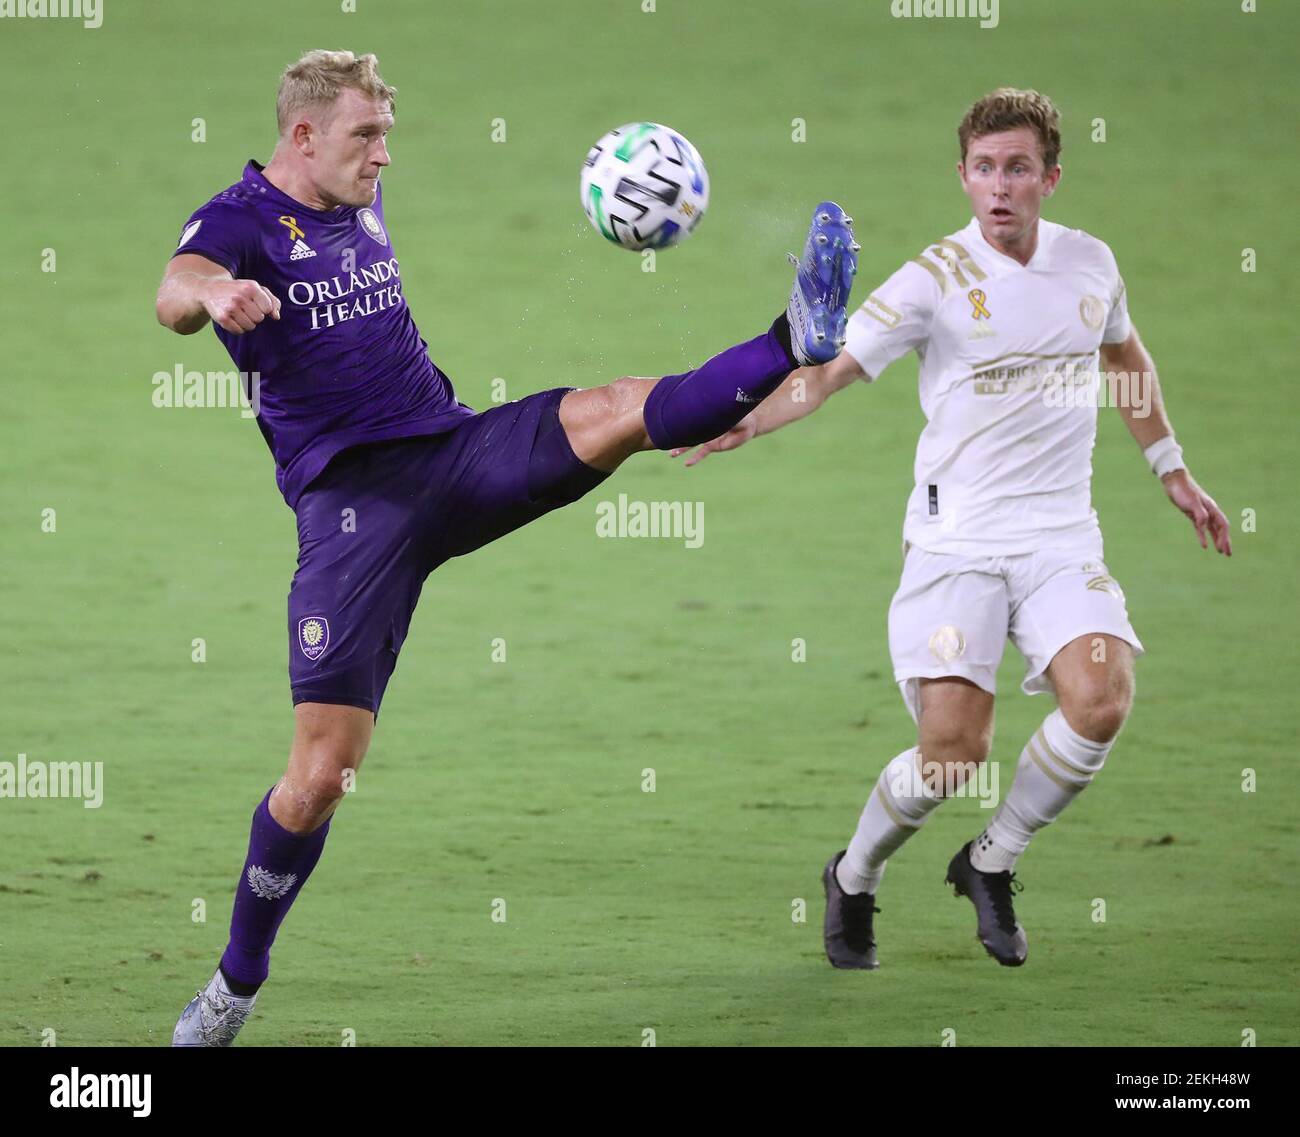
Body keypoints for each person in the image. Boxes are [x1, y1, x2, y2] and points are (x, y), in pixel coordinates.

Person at [157, 49, 857, 1043]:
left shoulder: (351, 194)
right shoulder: (237, 222)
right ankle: (233, 985)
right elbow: (174, 287)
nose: (383, 156)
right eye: (366, 135)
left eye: (388, 136)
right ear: (302, 135)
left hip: (456, 452)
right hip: (355, 518)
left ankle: (795, 336)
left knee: (619, 412)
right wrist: (212, 299)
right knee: (319, 778)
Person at [673, 87, 1231, 969]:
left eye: (1017, 169)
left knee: (1102, 697)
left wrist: (1171, 466)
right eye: (983, 169)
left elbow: (1123, 354)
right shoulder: (933, 280)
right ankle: (853, 876)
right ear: (962, 177)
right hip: (954, 545)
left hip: (1059, 538)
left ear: (1050, 176)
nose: (999, 187)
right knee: (954, 752)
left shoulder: (1091, 264)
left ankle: (991, 860)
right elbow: (831, 370)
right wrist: (746, 414)